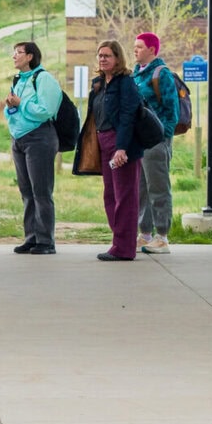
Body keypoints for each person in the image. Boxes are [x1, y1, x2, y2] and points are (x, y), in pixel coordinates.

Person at [87, 39, 146, 261]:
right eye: (100, 55)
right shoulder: (99, 83)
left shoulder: (126, 83)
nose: (102, 59)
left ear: (118, 58)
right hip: (103, 141)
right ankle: (119, 240)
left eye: (107, 56)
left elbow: (128, 117)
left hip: (122, 143)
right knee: (110, 194)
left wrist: (121, 148)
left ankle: (124, 248)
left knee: (125, 196)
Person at [5, 39, 65, 255]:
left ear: (30, 56)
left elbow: (45, 110)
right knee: (26, 191)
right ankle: (31, 237)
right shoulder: (18, 79)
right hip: (19, 139)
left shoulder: (44, 78)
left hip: (40, 139)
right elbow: (14, 109)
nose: (14, 56)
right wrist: (11, 106)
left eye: (19, 52)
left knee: (41, 191)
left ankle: (46, 241)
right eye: (14, 52)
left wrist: (21, 103)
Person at [131, 32, 178, 254]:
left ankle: (162, 236)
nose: (135, 50)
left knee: (158, 187)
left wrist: (162, 136)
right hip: (139, 142)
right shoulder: (136, 74)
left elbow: (172, 111)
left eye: (139, 46)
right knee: (142, 189)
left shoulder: (162, 74)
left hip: (156, 141)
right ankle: (145, 233)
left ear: (152, 49)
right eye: (134, 46)